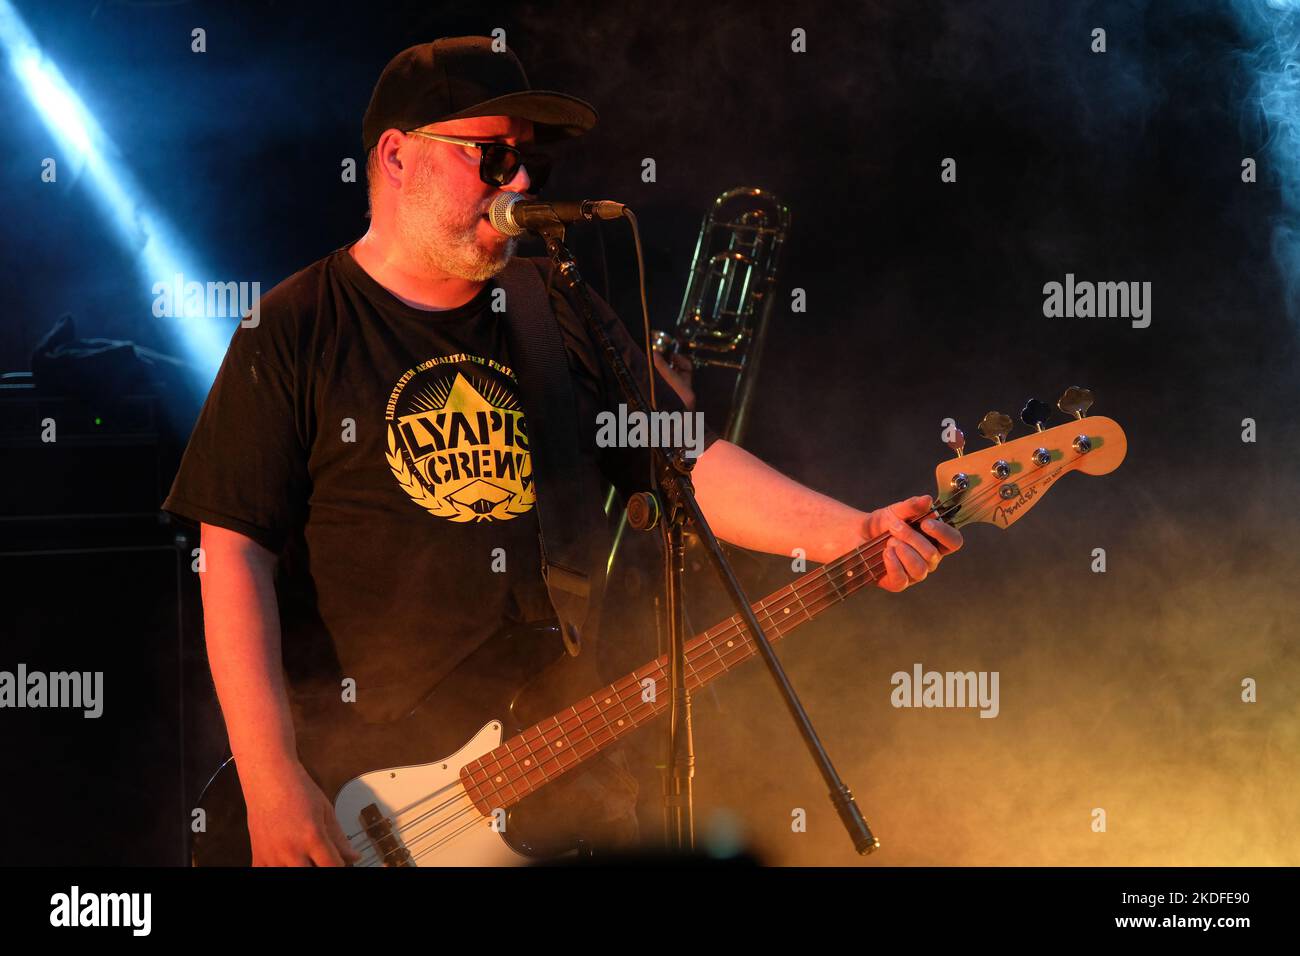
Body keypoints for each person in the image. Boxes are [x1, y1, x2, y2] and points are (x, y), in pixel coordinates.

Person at [163, 36, 962, 866]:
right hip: (356, 790)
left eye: (528, 163)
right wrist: (269, 781)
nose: (519, 182)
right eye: (492, 157)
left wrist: (852, 532)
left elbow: (683, 461)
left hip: (552, 786)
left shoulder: (551, 309)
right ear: (398, 158)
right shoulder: (295, 325)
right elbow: (232, 558)